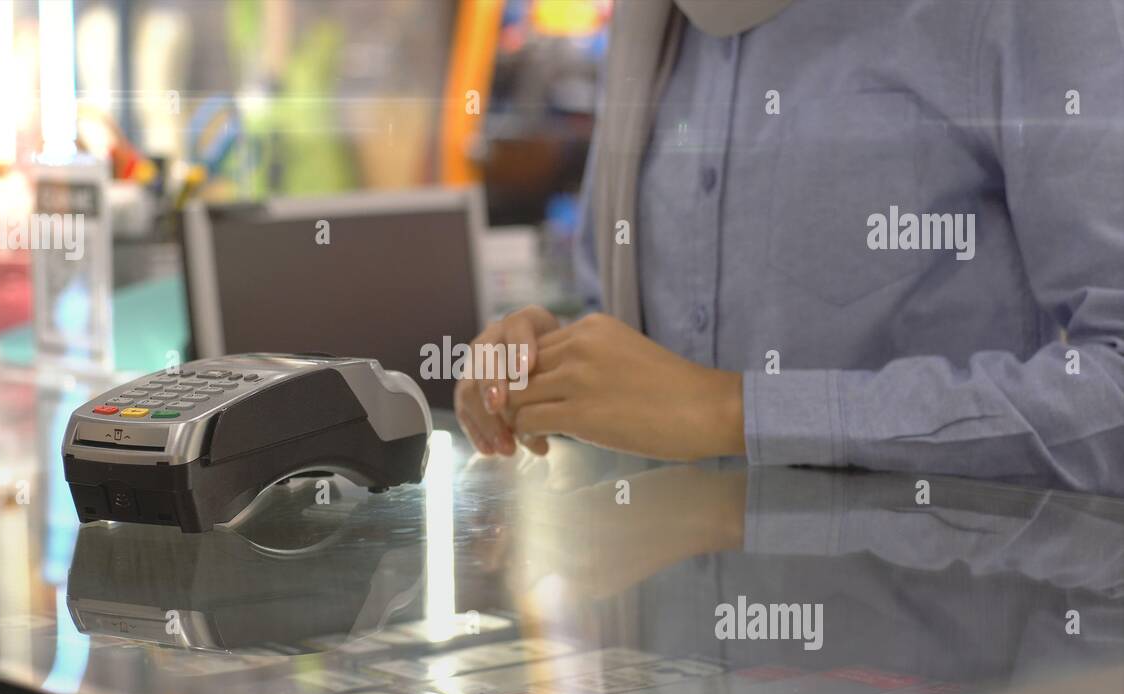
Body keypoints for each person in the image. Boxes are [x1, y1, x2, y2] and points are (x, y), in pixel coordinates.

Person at [455, 0, 1124, 497]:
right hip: (667, 662)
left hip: (953, 672)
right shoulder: (654, 25)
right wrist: (559, 370)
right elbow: (659, 371)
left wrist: (734, 411)